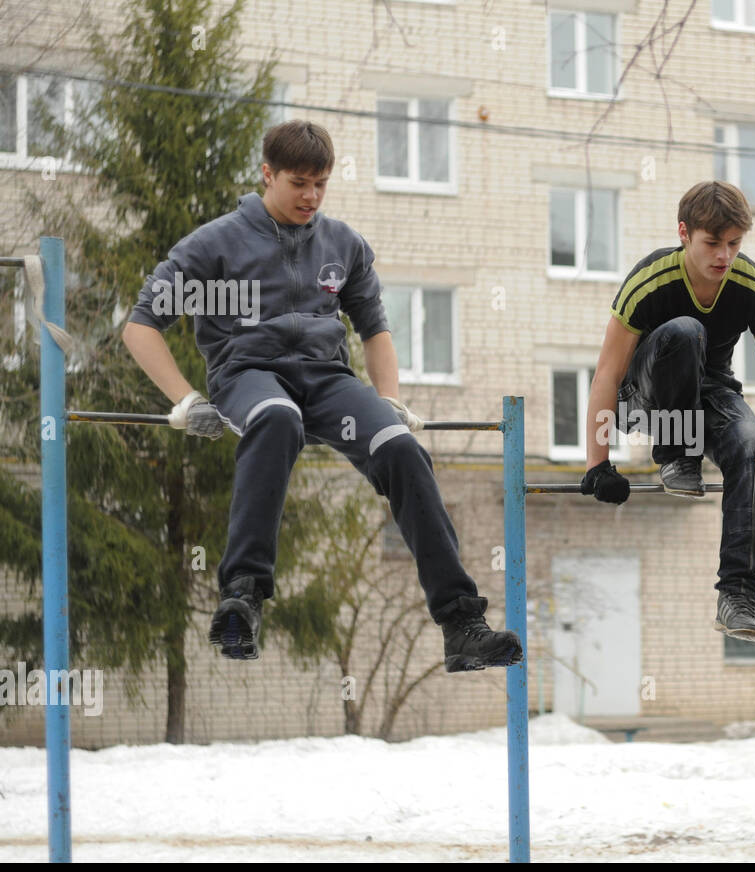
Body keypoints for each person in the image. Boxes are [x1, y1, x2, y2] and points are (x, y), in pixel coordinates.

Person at [122, 120, 522, 671]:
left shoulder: (343, 244)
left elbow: (373, 328)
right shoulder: (214, 245)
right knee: (278, 418)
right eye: (298, 183)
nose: (311, 196)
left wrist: (389, 398)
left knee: (401, 447)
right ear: (267, 174)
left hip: (327, 379)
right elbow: (140, 325)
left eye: (321, 184)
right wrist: (186, 398)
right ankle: (244, 594)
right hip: (248, 374)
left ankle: (460, 623)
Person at [580, 181, 755, 642]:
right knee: (685, 332)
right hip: (643, 398)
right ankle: (675, 455)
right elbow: (607, 373)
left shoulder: (754, 288)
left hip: (710, 392)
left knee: (752, 448)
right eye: (713, 243)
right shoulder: (651, 279)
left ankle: (737, 597)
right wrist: (598, 464)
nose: (724, 256)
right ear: (684, 233)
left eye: (734, 244)